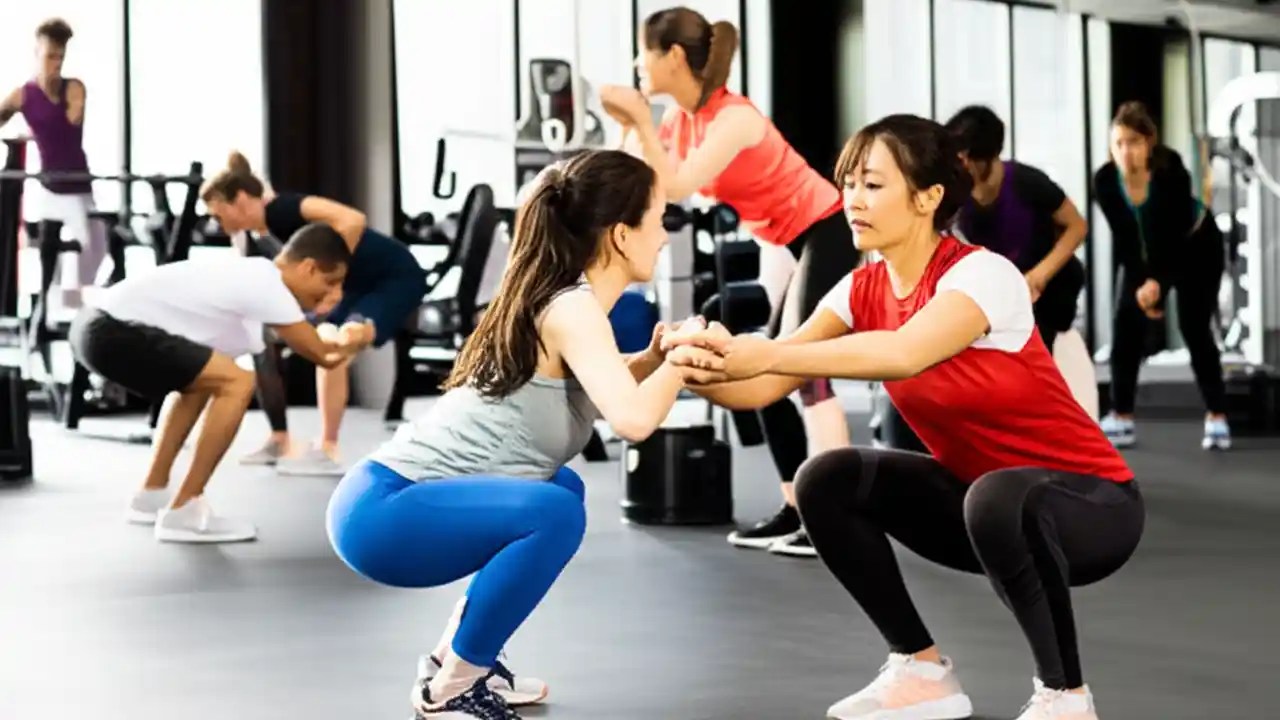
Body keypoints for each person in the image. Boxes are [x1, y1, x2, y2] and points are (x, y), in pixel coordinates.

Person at [665, 114, 1143, 720]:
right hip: (981, 510)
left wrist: (770, 349)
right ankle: (920, 671)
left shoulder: (982, 274)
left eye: (872, 185)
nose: (853, 201)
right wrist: (695, 366)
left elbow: (904, 351)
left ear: (928, 197)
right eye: (848, 184)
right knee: (825, 478)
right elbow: (764, 384)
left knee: (996, 497)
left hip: (1092, 510)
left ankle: (1065, 699)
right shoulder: (858, 289)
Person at [326, 150, 712, 720]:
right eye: (659, 218)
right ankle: (452, 690)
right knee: (554, 512)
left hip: (378, 504)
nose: (664, 233)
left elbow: (601, 388)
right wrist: (679, 363)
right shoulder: (573, 308)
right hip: (386, 514)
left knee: (562, 490)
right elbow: (632, 421)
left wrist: (655, 359)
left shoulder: (565, 302)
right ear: (622, 235)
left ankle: (456, 665)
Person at [599, 6, 860, 557]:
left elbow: (677, 185)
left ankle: (831, 519)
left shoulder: (733, 118)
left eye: (644, 51)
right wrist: (628, 124)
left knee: (800, 370)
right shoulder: (681, 122)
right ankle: (796, 505)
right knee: (760, 360)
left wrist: (642, 122)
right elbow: (636, 180)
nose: (636, 62)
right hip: (780, 242)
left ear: (672, 56)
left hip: (822, 231)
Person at [68, 224, 357, 543]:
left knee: (203, 383)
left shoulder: (252, 279)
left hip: (92, 327)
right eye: (330, 282)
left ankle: (152, 494)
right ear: (308, 267)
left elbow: (289, 343)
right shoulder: (267, 284)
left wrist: (332, 335)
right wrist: (356, 337)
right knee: (237, 382)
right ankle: (185, 512)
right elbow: (320, 354)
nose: (334, 294)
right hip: (111, 331)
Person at [201, 152, 428, 475]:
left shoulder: (282, 209)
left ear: (239, 199)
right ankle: (281, 438)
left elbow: (353, 220)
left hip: (393, 277)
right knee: (267, 341)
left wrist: (333, 279)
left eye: (218, 214)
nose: (218, 224)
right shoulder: (258, 238)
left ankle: (327, 449)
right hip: (358, 287)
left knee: (335, 338)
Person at [1094, 101, 1230, 450]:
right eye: (1119, 143)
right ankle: (1121, 416)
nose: (1126, 151)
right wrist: (1142, 285)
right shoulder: (1106, 181)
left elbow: (1174, 239)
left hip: (1196, 247)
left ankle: (1217, 416)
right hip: (1146, 258)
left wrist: (1160, 283)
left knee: (1193, 327)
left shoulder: (1171, 172)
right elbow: (1124, 238)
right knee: (1126, 320)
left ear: (1149, 143)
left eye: (1134, 143)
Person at [946, 105, 1088, 353]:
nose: (960, 164)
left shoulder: (1027, 182)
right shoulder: (957, 195)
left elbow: (1077, 226)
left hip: (1050, 288)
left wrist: (1038, 276)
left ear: (980, 157)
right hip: (1007, 293)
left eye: (963, 157)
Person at [0, 18, 108, 305]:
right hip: (49, 189)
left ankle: (71, 302)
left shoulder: (74, 88)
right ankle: (44, 316)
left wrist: (49, 102)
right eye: (50, 56)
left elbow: (69, 122)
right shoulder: (22, 94)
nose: (56, 63)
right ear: (36, 53)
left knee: (96, 251)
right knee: (47, 257)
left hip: (78, 189)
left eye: (61, 57)